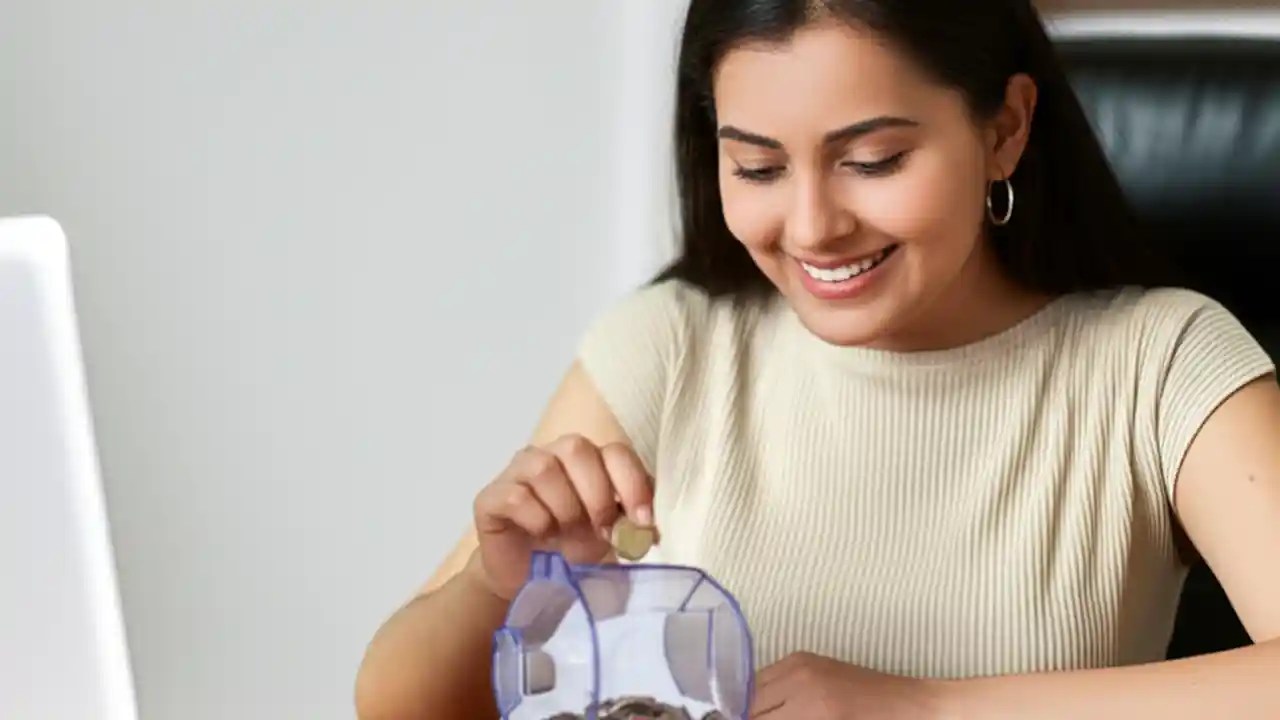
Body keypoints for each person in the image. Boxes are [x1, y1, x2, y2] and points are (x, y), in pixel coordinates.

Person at [355, 1, 1280, 717]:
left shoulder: (1159, 364)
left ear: (1004, 128)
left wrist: (928, 707)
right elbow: (392, 705)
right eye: (756, 168)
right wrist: (496, 589)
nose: (810, 229)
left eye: (873, 159)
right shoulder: (674, 344)